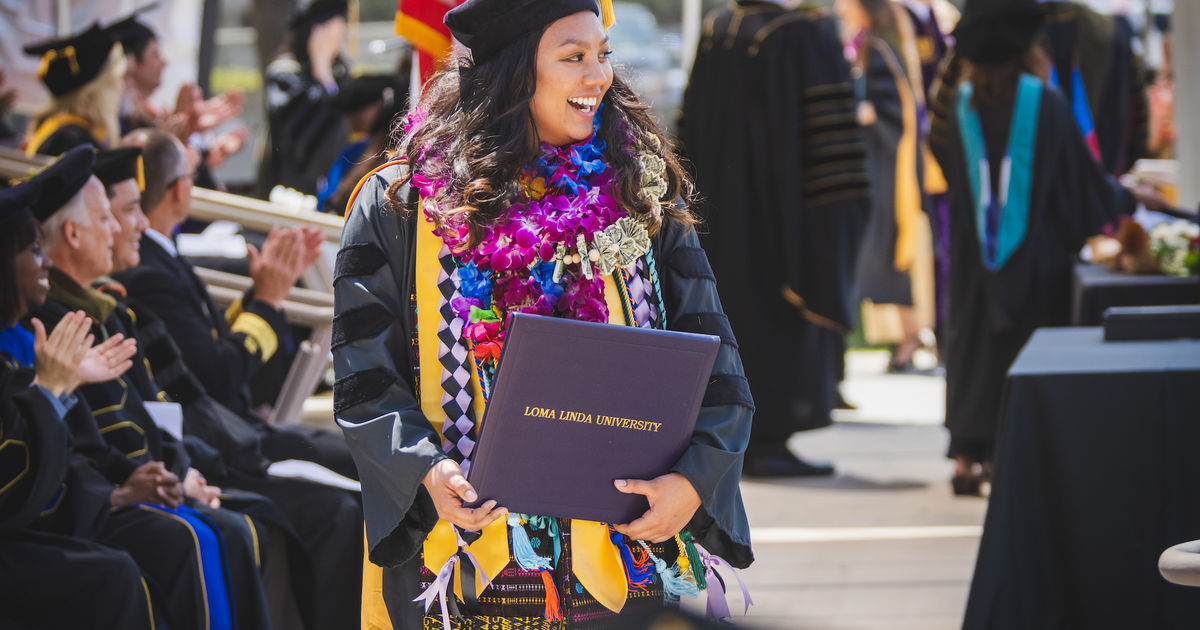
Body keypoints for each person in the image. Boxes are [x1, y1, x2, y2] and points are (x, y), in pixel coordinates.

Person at [335, 0, 754, 627]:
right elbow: (365, 374)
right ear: (513, 72)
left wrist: (692, 483)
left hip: (623, 567)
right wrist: (423, 471)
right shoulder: (402, 204)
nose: (600, 76)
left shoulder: (638, 196)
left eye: (603, 55)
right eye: (574, 57)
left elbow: (715, 364)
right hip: (468, 573)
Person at [114, 129, 363, 629]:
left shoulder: (158, 259)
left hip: (226, 431)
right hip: (215, 448)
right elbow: (217, 377)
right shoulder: (148, 273)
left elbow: (204, 366)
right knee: (339, 511)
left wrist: (259, 300)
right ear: (182, 190)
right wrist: (268, 302)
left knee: (356, 455)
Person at [928, 0, 1167, 495]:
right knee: (1023, 343)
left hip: (976, 259)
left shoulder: (964, 102)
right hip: (1038, 261)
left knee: (974, 344)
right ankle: (1010, 454)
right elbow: (1082, 185)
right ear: (1027, 49)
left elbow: (948, 161)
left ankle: (968, 454)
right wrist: (1128, 196)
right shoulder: (1046, 102)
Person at [679, 0, 871, 476]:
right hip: (783, 217)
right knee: (771, 315)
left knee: (726, 311)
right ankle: (770, 437)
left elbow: (688, 123)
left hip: (718, 211)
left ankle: (733, 434)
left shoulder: (719, 26)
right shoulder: (802, 34)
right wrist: (832, 219)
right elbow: (830, 151)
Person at [0, 179, 159, 630]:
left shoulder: (23, 347)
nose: (45, 259)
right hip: (27, 534)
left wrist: (61, 387)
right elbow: (15, 492)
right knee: (120, 572)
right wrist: (51, 390)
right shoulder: (32, 347)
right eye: (32, 251)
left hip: (69, 513)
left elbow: (75, 455)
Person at [837, 0, 929, 372]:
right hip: (878, 162)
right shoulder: (872, 42)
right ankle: (906, 337)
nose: (842, 8)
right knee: (882, 255)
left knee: (891, 251)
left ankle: (910, 338)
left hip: (889, 168)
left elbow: (895, 110)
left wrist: (868, 114)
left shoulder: (880, 48)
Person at [260, 0, 351, 198]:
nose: (336, 41)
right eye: (329, 32)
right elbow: (298, 136)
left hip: (331, 187)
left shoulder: (339, 75)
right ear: (313, 32)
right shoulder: (285, 75)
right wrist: (321, 68)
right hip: (289, 190)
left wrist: (325, 74)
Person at [22, 22, 127, 156]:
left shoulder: (62, 127)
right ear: (99, 87)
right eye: (117, 78)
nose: (121, 85)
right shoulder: (73, 140)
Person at [317, 71, 409, 214]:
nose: (351, 123)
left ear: (380, 104)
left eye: (356, 114)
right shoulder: (355, 151)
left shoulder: (401, 159)